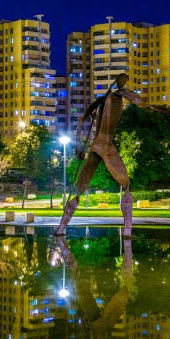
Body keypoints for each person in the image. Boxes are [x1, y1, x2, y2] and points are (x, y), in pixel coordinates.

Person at [55, 73, 143, 237]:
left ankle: (61, 228)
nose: (124, 83)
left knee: (80, 188)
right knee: (126, 185)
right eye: (124, 81)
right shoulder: (119, 94)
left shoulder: (102, 100)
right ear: (120, 82)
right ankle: (128, 231)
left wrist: (79, 148)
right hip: (106, 145)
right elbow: (140, 102)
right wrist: (157, 108)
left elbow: (81, 122)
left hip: (97, 145)